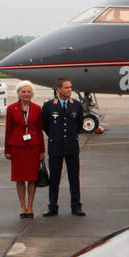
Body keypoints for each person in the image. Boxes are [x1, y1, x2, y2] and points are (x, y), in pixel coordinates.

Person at [41, 77, 85, 217]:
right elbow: (45, 126)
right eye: (66, 87)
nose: (69, 90)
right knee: (54, 178)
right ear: (58, 89)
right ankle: (52, 206)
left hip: (71, 146)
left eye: (70, 87)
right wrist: (56, 136)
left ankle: (76, 206)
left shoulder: (76, 105)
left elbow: (79, 124)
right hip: (56, 147)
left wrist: (71, 137)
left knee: (74, 178)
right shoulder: (49, 105)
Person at [4, 81, 45, 218]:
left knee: (32, 178)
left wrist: (42, 151)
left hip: (33, 147)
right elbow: (8, 130)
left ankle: (30, 206)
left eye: (28, 92)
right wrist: (7, 149)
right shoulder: (11, 108)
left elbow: (40, 130)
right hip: (17, 147)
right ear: (18, 93)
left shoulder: (37, 109)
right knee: (19, 178)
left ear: (32, 94)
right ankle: (22, 206)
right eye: (23, 92)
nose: (26, 94)